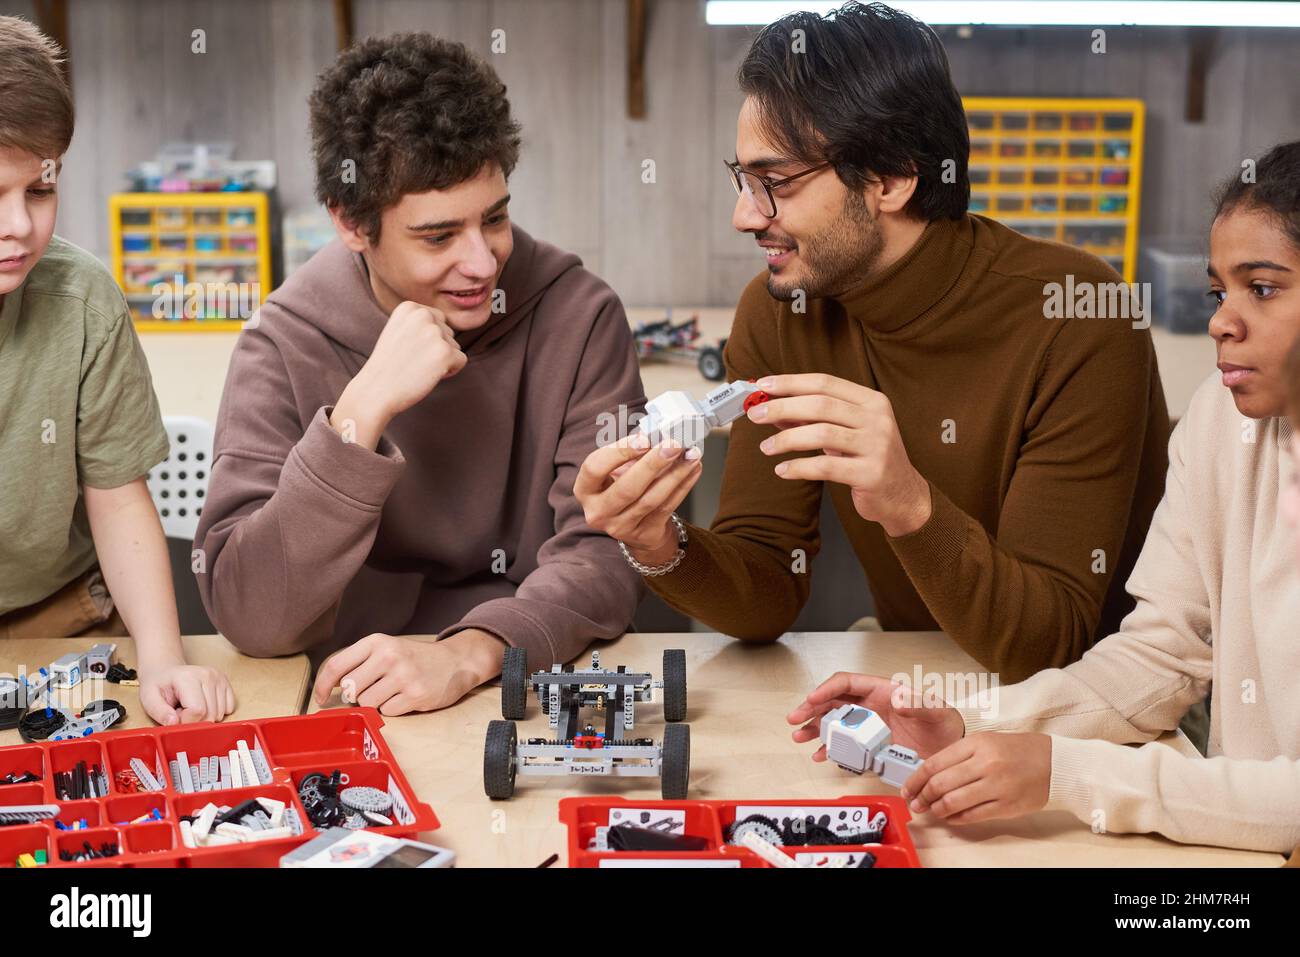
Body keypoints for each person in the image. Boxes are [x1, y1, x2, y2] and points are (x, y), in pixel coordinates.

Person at [574, 1, 1168, 681]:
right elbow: (766, 585)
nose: (744, 216)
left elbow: (1047, 643)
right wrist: (659, 542)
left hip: (1092, 706)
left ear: (890, 178)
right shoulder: (780, 311)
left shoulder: (1081, 316)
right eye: (743, 179)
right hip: (920, 686)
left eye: (776, 183)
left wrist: (908, 500)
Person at [788, 141, 1300, 855]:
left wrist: (1069, 773)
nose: (1221, 319)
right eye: (1219, 290)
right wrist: (969, 721)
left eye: (1264, 288)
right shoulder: (1220, 415)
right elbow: (1160, 658)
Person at [194, 33, 645, 714]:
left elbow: (607, 558)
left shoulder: (581, 316)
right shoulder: (280, 342)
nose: (482, 262)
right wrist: (360, 413)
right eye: (438, 236)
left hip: (529, 681)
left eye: (494, 219)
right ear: (351, 223)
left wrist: (468, 652)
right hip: (355, 698)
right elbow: (251, 613)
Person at [0, 16, 234, 724]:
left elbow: (116, 495)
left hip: (66, 618)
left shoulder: (83, 300)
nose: (17, 224)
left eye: (38, 191)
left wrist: (162, 656)